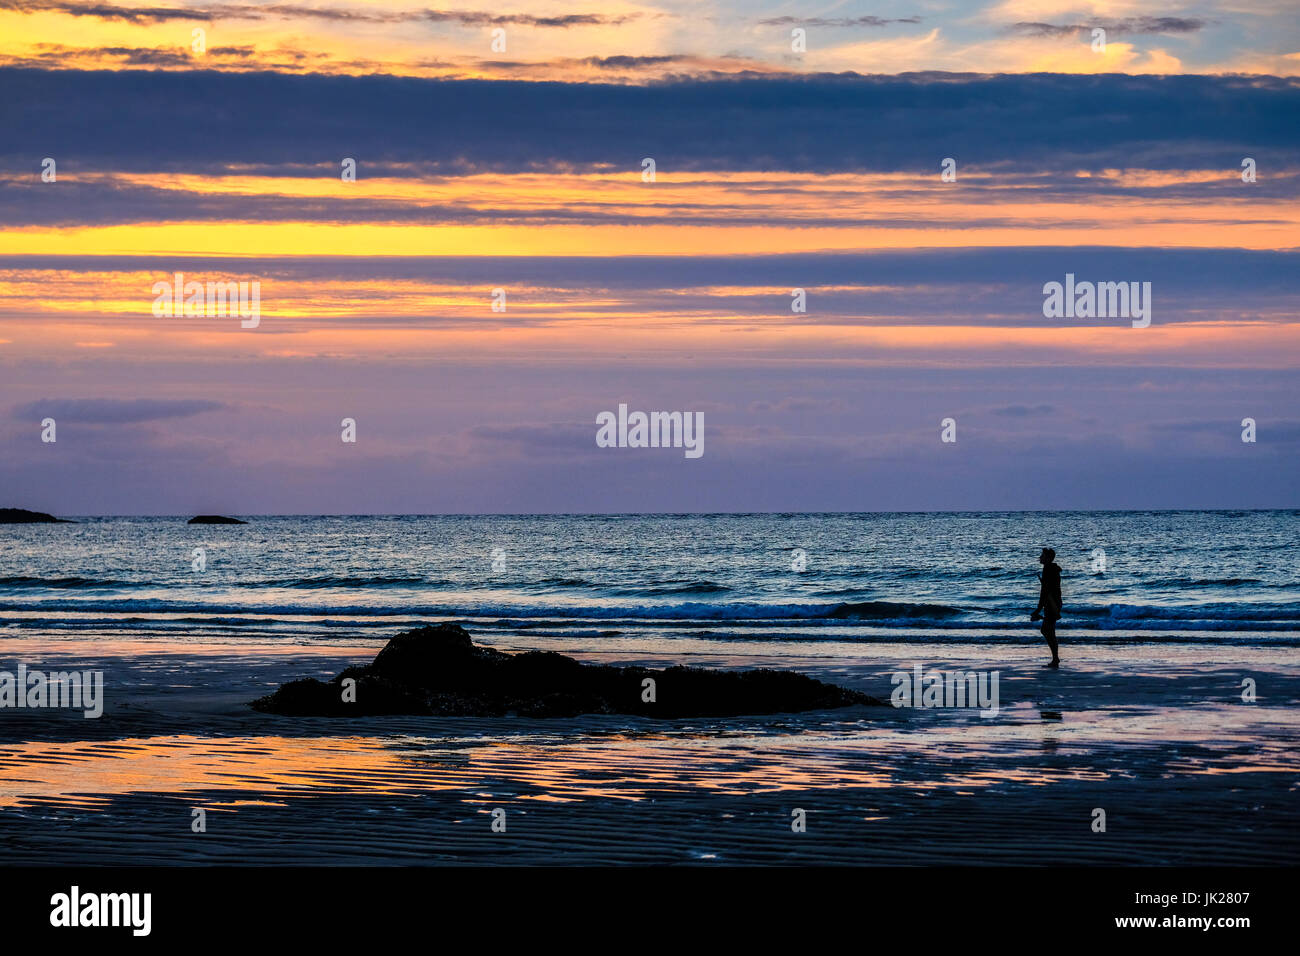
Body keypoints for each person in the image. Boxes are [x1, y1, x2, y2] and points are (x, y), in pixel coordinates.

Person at [1031, 547, 1062, 667]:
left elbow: (1044, 592)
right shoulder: (1051, 569)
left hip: (1052, 604)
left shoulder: (1048, 570)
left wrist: (1038, 609)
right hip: (1054, 603)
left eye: (1042, 556)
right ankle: (1055, 659)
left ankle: (1055, 659)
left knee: (1046, 630)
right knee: (1048, 630)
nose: (1040, 557)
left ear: (1048, 558)